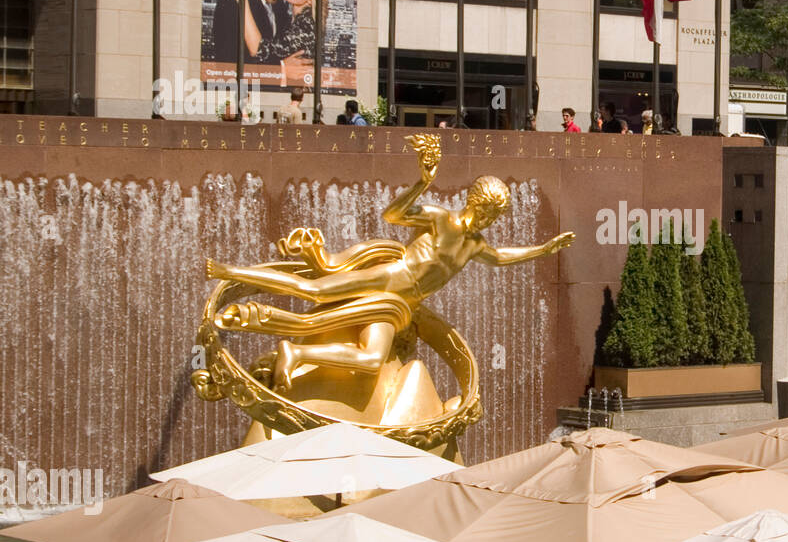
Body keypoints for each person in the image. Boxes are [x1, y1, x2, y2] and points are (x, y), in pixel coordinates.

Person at [207, 134, 575, 390]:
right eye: (487, 212)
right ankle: (233, 272)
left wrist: (542, 250)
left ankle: (295, 352)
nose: (489, 221)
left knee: (370, 360)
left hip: (397, 307)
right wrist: (422, 182)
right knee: (314, 290)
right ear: (474, 202)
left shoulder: (474, 245)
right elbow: (393, 214)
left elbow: (500, 258)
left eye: (495, 217)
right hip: (389, 279)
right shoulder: (440, 217)